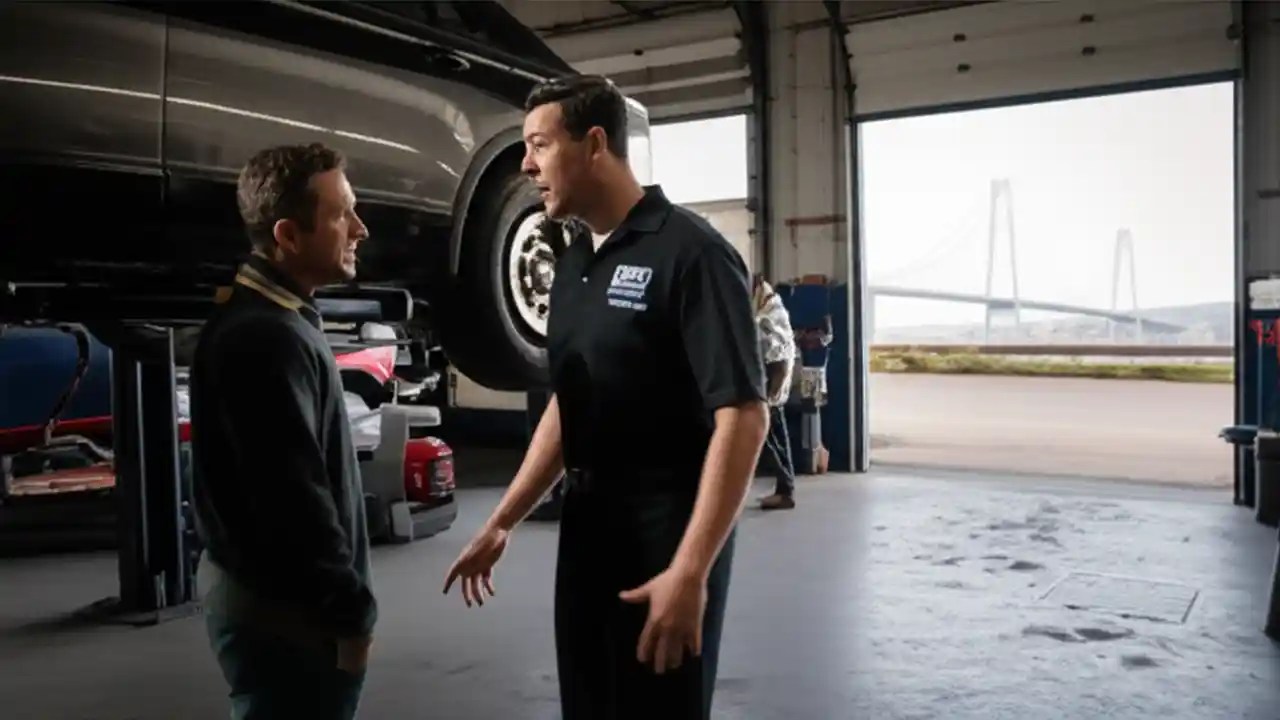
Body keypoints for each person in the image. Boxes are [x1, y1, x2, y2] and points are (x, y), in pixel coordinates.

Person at [443, 75, 770, 719]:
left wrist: (691, 570)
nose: (526, 164)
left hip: (668, 529)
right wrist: (503, 518)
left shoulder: (692, 254)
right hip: (590, 528)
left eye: (539, 144)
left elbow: (744, 415)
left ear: (595, 144)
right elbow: (571, 405)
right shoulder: (570, 266)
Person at [189, 142, 377, 719]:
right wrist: (351, 615)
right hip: (289, 616)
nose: (360, 229)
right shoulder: (265, 339)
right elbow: (294, 498)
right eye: (341, 213)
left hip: (274, 601)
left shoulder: (273, 320)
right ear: (289, 236)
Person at [752, 273, 798, 510]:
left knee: (772, 443)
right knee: (778, 440)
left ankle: (786, 490)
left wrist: (769, 398)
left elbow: (777, 360)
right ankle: (785, 489)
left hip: (770, 393)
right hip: (773, 391)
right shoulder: (771, 309)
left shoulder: (768, 317)